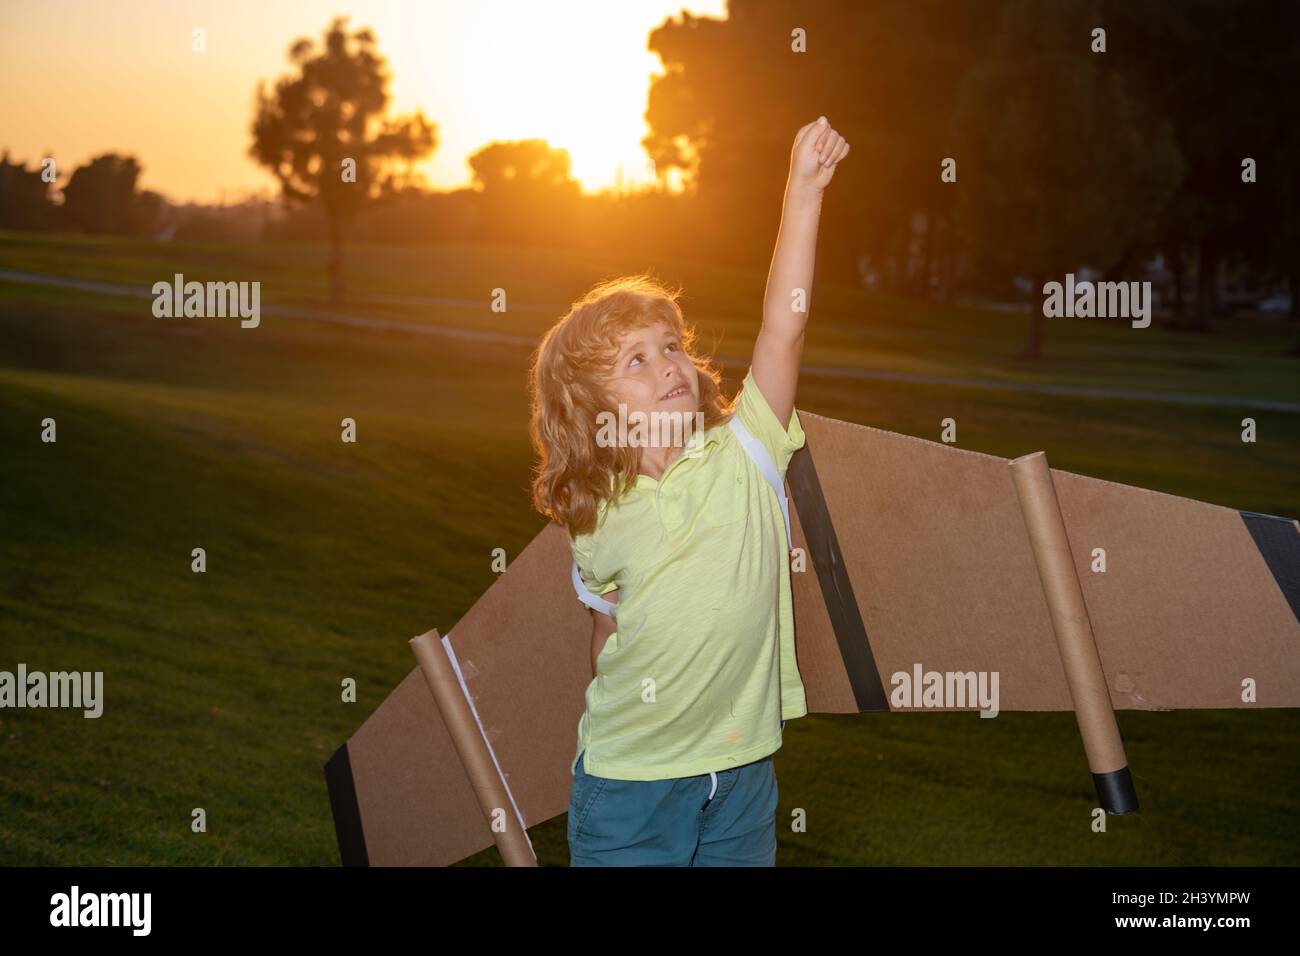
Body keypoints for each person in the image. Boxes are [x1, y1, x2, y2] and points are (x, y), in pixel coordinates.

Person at [527, 117, 849, 865]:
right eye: (635, 360)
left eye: (670, 345)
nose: (668, 363)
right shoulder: (597, 517)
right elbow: (608, 630)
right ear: (593, 410)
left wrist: (802, 192)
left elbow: (784, 328)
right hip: (630, 786)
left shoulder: (749, 451)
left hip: (741, 776)